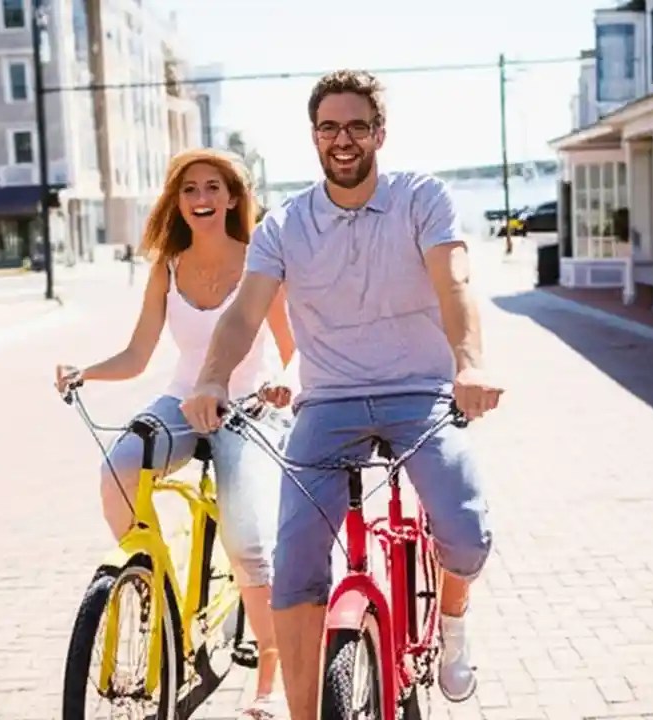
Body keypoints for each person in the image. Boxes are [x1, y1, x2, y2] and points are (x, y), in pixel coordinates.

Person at [180, 70, 504, 719]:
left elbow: (454, 285)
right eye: (330, 127)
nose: (343, 139)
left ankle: (453, 623)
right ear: (314, 136)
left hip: (422, 395)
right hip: (327, 405)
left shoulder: (420, 198)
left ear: (379, 132)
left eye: (357, 125)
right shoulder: (287, 225)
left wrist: (469, 365)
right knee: (295, 564)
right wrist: (211, 378)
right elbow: (244, 314)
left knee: (464, 535)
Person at [55, 147, 296, 718]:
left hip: (250, 405)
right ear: (177, 201)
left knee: (248, 544)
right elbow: (140, 353)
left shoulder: (262, 259)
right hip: (182, 400)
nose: (202, 199)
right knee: (116, 470)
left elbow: (290, 350)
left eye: (214, 187)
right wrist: (85, 371)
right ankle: (147, 585)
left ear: (233, 196)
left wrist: (283, 385)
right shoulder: (166, 265)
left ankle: (269, 670)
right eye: (190, 190)